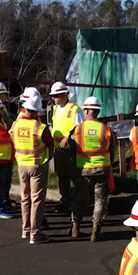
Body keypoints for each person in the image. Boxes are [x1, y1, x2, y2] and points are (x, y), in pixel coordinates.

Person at [10, 90, 54, 244]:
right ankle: (35, 234)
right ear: (36, 112)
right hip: (37, 165)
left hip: (21, 164)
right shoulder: (40, 128)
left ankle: (25, 229)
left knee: (25, 198)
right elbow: (50, 143)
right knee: (37, 200)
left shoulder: (16, 124)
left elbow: (11, 137)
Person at [71, 96, 116, 241]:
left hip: (83, 169)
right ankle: (96, 230)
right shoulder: (106, 129)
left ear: (88, 110)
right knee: (100, 200)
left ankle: (75, 228)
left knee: (79, 198)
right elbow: (112, 149)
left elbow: (71, 145)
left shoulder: (79, 128)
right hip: (102, 168)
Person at [49, 81, 82, 215]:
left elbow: (79, 129)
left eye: (56, 96)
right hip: (58, 149)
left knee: (75, 177)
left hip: (70, 149)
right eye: (53, 96)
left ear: (64, 94)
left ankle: (79, 202)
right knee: (62, 177)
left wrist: (69, 137)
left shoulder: (75, 109)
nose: (53, 98)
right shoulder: (56, 109)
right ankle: (65, 201)